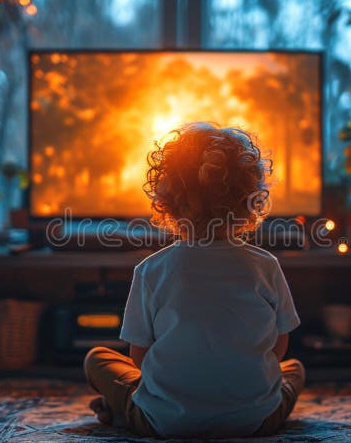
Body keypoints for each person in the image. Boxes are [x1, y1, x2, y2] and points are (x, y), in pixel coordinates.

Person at [83, 122, 304, 438]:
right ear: (250, 202)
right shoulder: (265, 265)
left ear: (168, 202)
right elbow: (279, 346)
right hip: (253, 420)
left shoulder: (150, 270)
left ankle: (123, 410)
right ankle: (124, 409)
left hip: (167, 422)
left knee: (97, 359)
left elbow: (139, 357)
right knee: (294, 370)